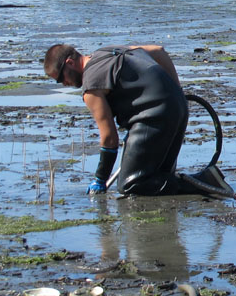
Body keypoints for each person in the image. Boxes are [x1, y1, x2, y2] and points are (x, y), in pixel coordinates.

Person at [44, 43, 189, 196]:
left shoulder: (91, 87)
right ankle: (204, 184)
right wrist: (178, 92)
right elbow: (159, 51)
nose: (64, 84)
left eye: (61, 78)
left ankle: (204, 182)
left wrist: (100, 178)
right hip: (178, 107)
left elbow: (109, 138)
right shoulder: (107, 51)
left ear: (70, 63)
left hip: (154, 117)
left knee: (130, 184)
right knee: (158, 174)